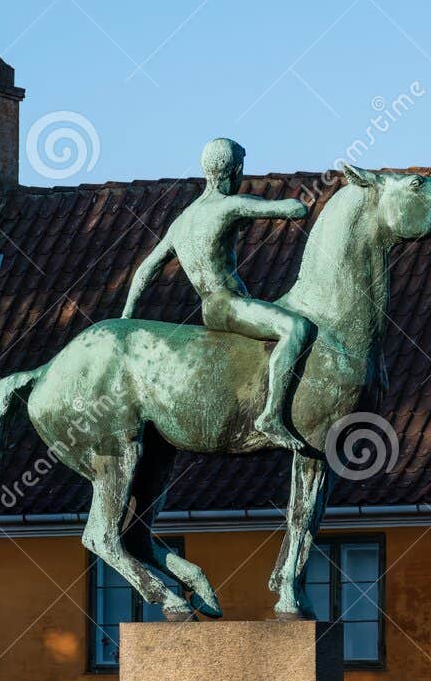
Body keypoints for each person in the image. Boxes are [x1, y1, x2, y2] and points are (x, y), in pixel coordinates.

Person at [121, 137, 315, 451]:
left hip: (209, 307)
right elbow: (296, 209)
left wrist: (127, 316)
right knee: (296, 327)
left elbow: (146, 269)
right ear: (236, 170)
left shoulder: (183, 220)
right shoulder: (229, 206)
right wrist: (287, 206)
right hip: (229, 302)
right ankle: (271, 416)